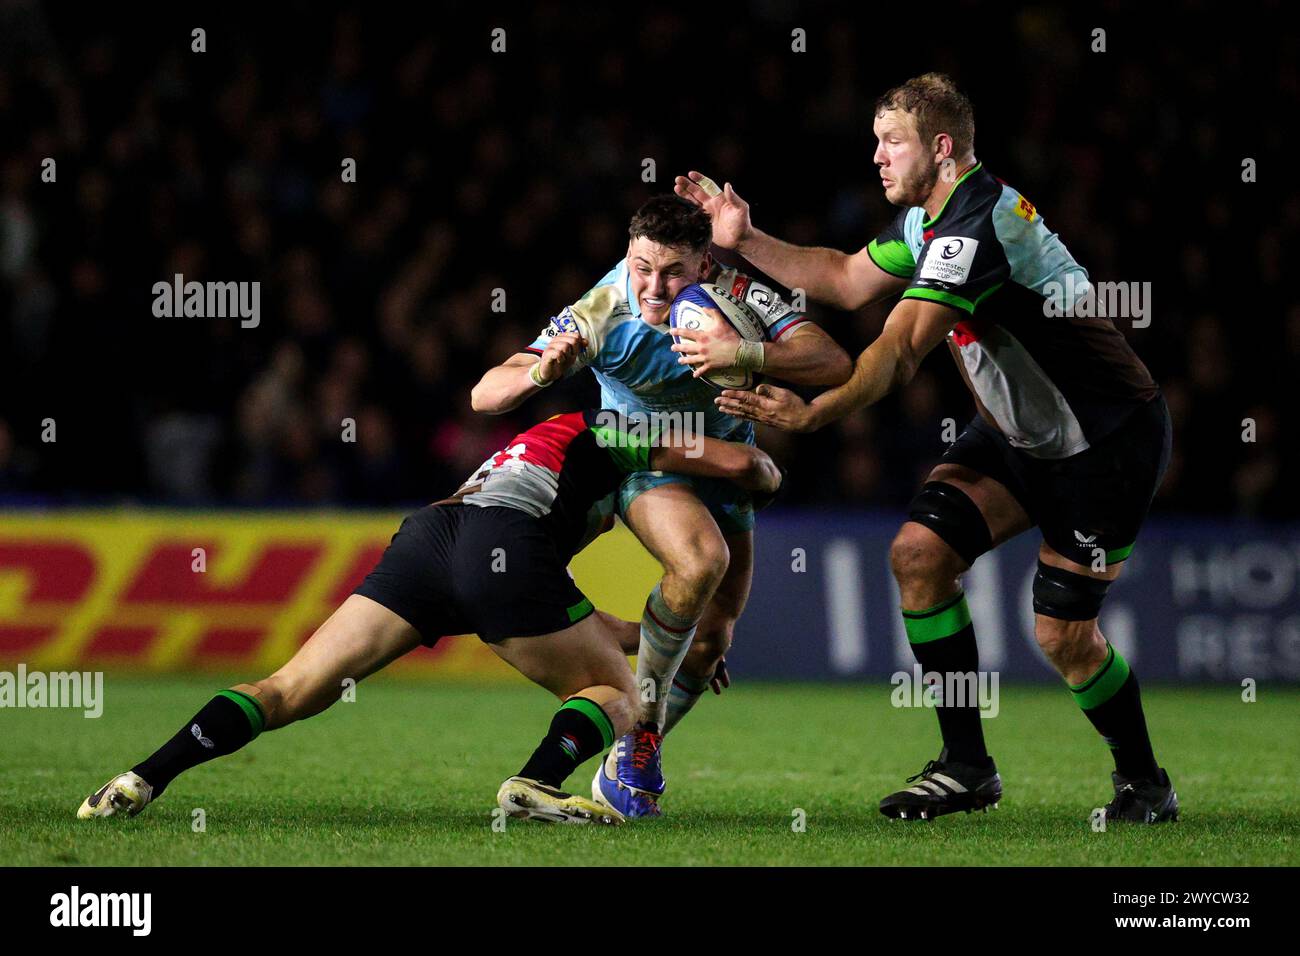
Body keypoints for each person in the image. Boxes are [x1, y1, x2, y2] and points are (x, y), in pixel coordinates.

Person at [677, 72, 1177, 824]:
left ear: (941, 149)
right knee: (918, 555)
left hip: (1102, 443)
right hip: (1018, 434)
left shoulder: (977, 229)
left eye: (892, 142)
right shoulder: (929, 221)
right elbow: (844, 280)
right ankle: (967, 767)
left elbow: (902, 350)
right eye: (875, 140)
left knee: (1064, 638)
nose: (876, 157)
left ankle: (1145, 784)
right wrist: (744, 241)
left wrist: (815, 412)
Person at [77, 410, 781, 826]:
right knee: (620, 699)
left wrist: (656, 634)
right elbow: (740, 462)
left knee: (287, 689)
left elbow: (532, 595)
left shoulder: (541, 446)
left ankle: (140, 778)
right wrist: (762, 467)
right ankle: (535, 783)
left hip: (430, 539)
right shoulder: (614, 428)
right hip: (502, 548)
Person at [472, 195, 850, 817]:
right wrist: (540, 375)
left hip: (726, 462)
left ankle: (630, 753)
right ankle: (640, 726)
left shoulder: (736, 293)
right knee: (702, 561)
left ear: (704, 265)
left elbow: (832, 362)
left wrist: (744, 354)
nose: (653, 286)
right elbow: (486, 396)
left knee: (711, 638)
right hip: (647, 460)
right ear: (629, 253)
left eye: (672, 271)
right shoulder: (603, 309)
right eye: (642, 266)